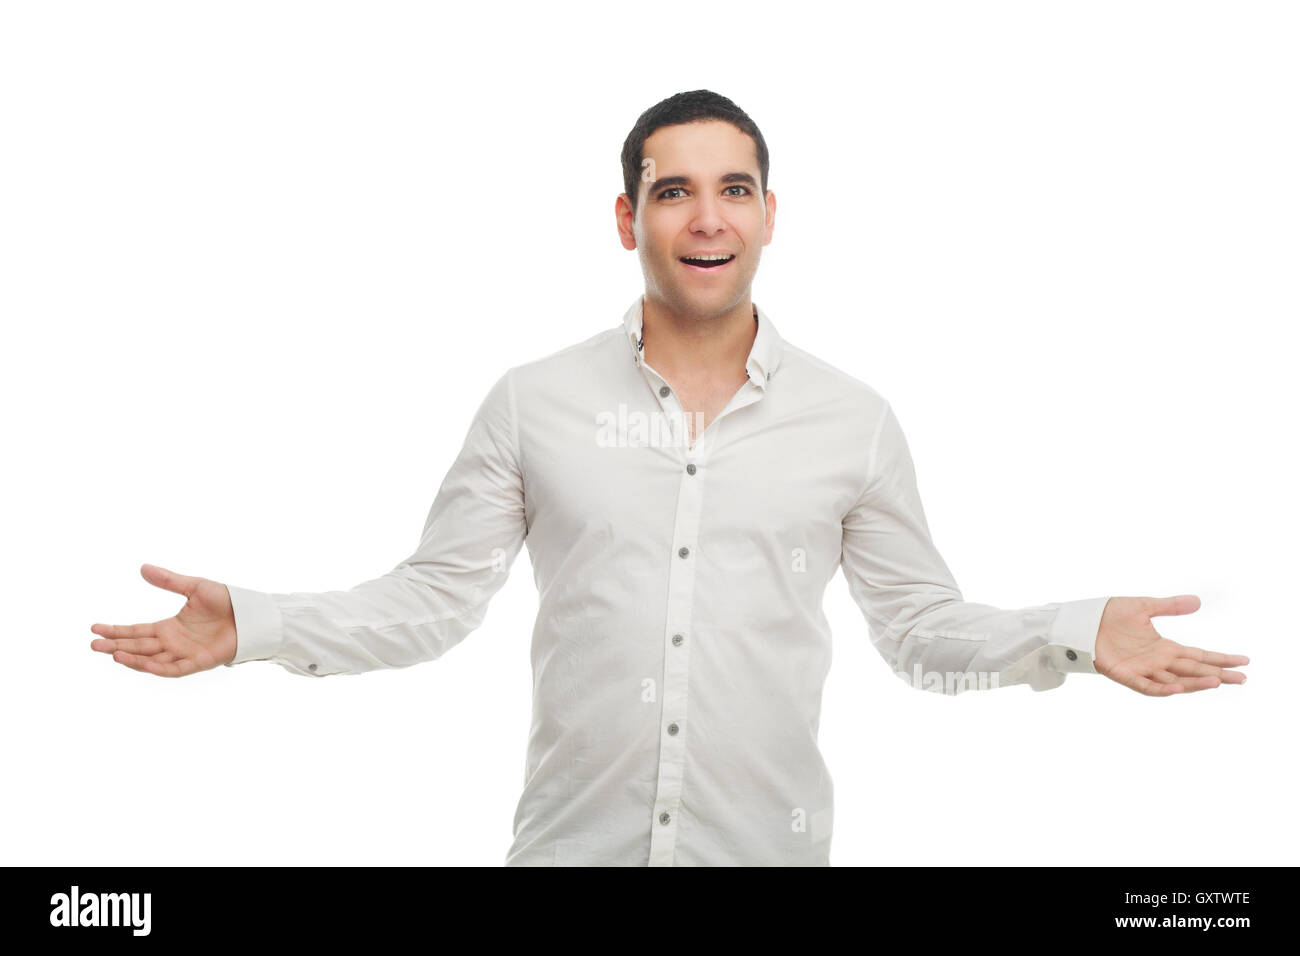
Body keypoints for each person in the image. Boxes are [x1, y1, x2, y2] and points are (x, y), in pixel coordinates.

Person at [89, 89, 1249, 866]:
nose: (706, 218)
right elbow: (432, 602)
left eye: (733, 188)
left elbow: (918, 631)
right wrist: (256, 624)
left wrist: (1071, 631)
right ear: (625, 216)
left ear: (769, 214)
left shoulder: (852, 419)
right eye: (673, 189)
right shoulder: (531, 402)